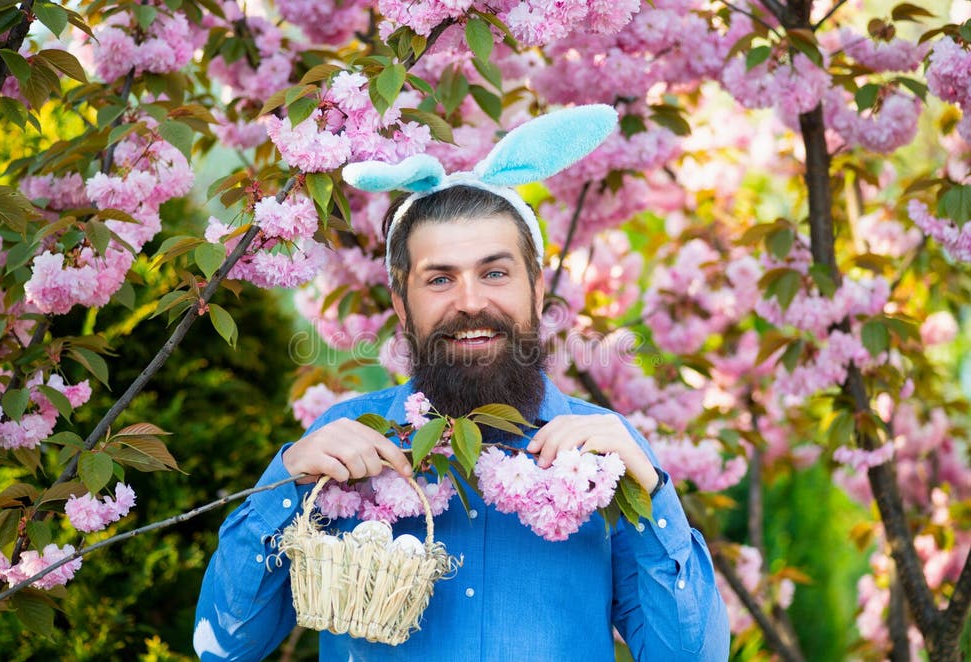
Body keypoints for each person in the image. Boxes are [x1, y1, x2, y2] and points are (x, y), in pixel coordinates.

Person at [194, 106, 730, 661]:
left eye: (495, 273)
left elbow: (694, 656)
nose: (471, 302)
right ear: (402, 305)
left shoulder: (602, 454)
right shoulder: (344, 442)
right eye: (440, 279)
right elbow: (225, 646)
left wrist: (653, 497)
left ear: (537, 290)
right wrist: (286, 482)